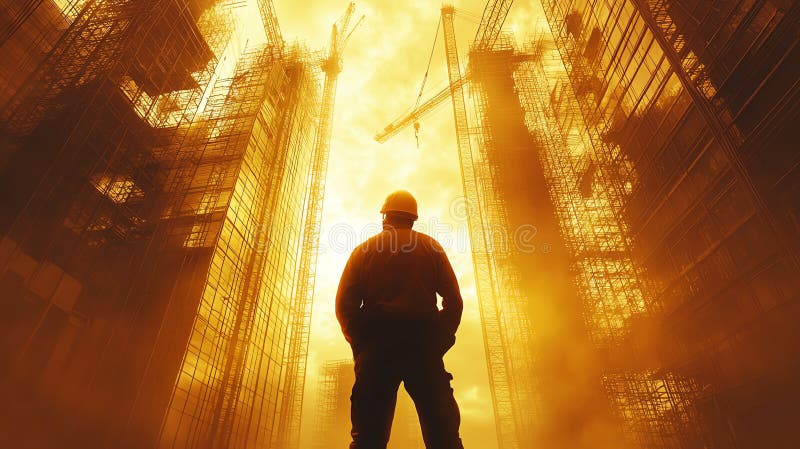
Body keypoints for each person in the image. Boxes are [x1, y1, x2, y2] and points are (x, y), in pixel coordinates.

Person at [336, 190, 465, 449]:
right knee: (443, 436)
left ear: (386, 216)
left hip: (378, 349)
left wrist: (362, 345)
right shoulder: (431, 248)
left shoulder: (365, 250)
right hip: (422, 348)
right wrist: (438, 341)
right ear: (413, 218)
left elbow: (345, 305)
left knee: (368, 439)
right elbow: (453, 301)